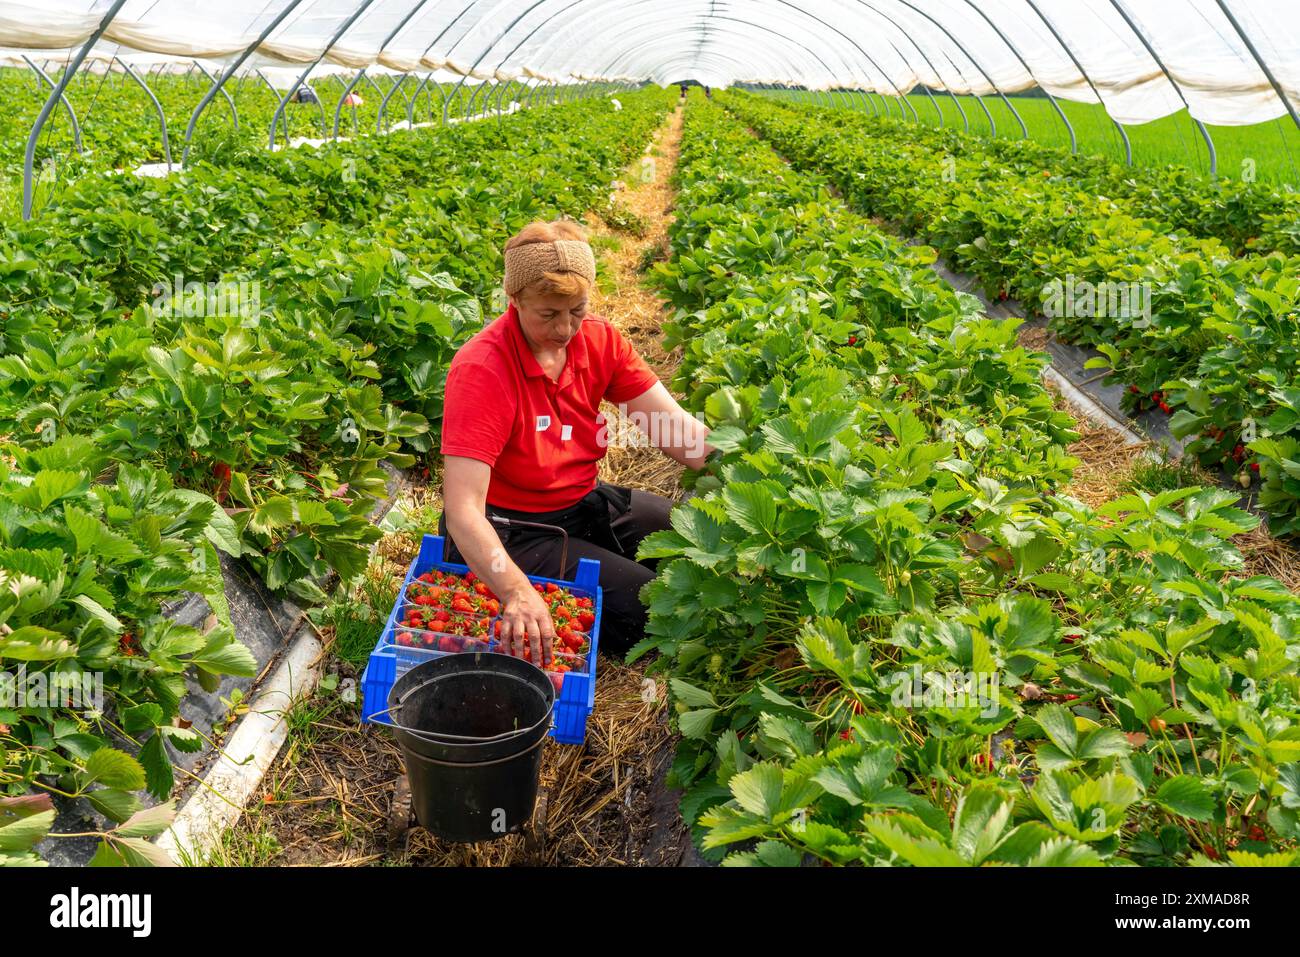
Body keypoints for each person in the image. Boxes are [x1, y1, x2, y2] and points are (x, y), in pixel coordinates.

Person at [439, 220, 713, 663]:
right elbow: (463, 510)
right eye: (548, 314)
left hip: (583, 503)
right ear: (513, 300)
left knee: (699, 540)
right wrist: (514, 589)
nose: (566, 329)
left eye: (577, 310)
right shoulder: (483, 369)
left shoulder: (601, 341)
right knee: (655, 607)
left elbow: (674, 430)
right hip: (513, 530)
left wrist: (740, 474)